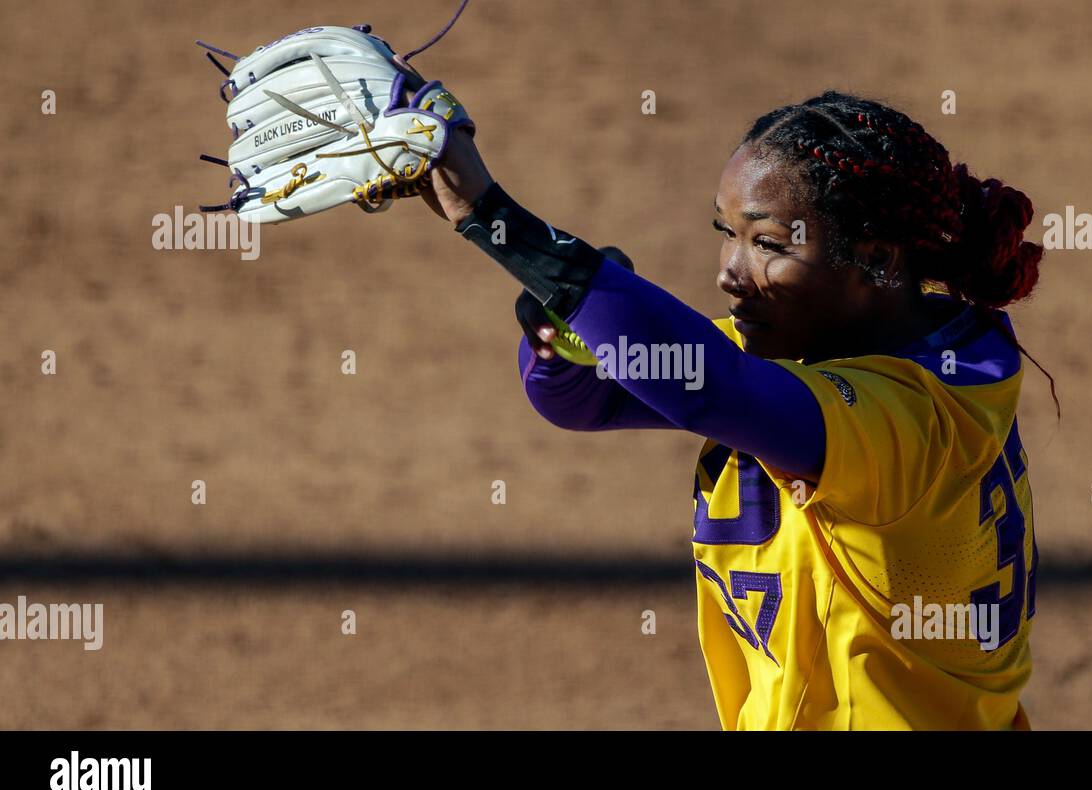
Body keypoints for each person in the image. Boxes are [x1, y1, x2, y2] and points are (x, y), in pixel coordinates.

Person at [420, 90, 1049, 730]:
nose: (730, 272)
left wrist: (491, 215)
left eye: (769, 243)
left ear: (877, 260)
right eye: (728, 233)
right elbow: (588, 398)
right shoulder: (859, 350)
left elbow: (709, 387)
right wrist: (557, 335)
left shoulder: (910, 424)